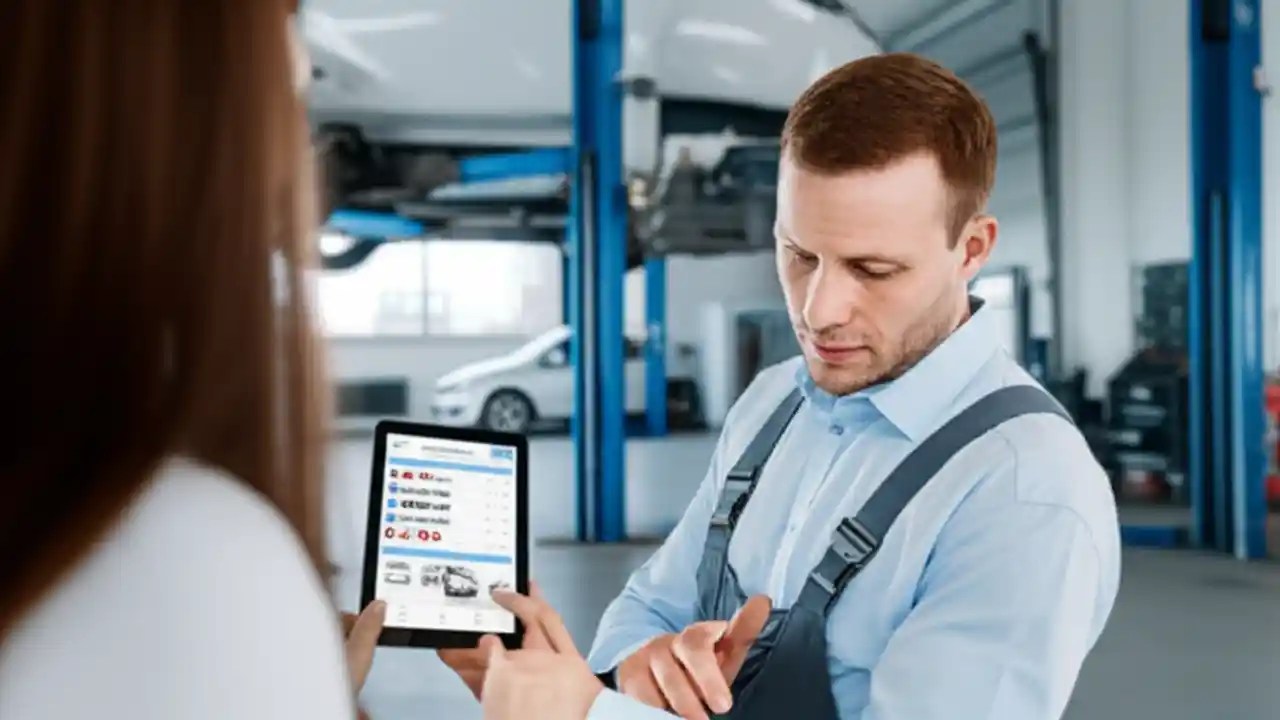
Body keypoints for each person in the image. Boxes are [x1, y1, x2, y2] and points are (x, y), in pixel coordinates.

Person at [580, 53, 1122, 720]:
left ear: (972, 250)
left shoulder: (1026, 491)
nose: (818, 311)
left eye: (873, 268)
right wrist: (640, 672)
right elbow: (649, 608)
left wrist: (587, 714)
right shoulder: (773, 403)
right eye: (799, 255)